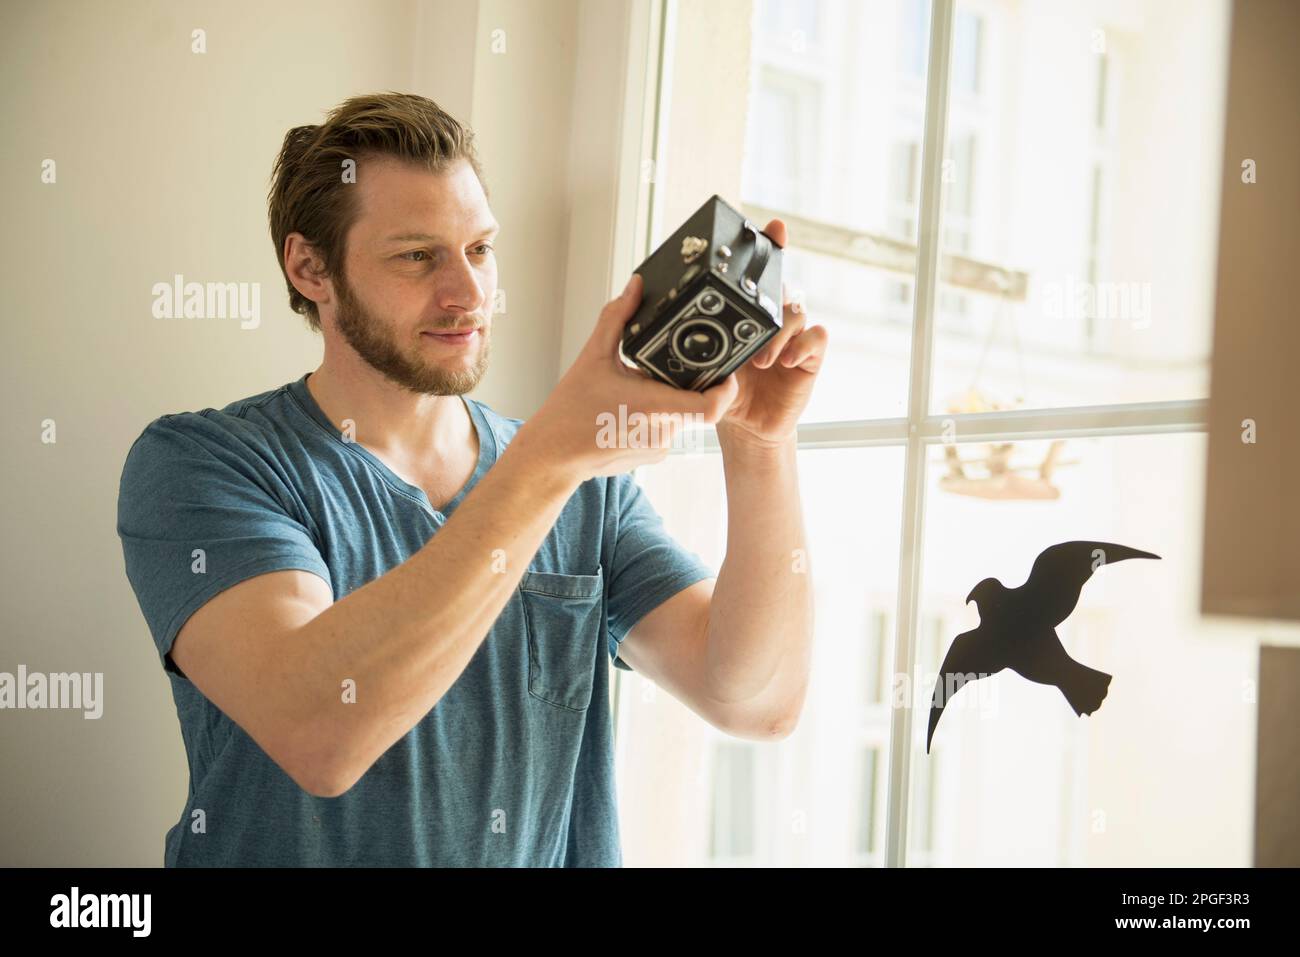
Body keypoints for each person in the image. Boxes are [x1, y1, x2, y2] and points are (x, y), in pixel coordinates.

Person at [116, 92, 828, 866]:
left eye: (480, 249)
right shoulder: (204, 465)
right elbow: (319, 728)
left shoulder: (583, 485)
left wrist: (761, 444)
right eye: (418, 255)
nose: (468, 293)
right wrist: (552, 456)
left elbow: (756, 700)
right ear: (310, 267)